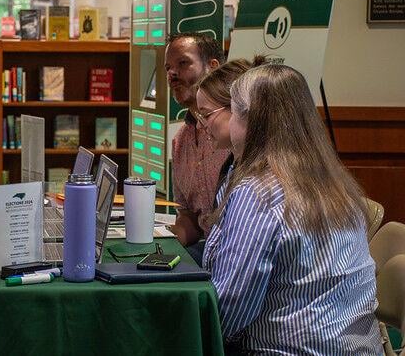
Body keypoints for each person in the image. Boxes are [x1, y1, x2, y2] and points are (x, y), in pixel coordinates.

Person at [203, 64, 380, 354]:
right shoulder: (337, 182)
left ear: (253, 122)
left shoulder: (257, 192)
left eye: (233, 113)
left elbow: (230, 307)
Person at [186, 55, 267, 264]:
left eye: (206, 114)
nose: (202, 125)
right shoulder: (233, 165)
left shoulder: (254, 189)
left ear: (238, 110)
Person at [163, 32, 228, 248]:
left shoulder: (235, 135)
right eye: (168, 68)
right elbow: (190, 217)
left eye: (183, 63)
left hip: (238, 253)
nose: (172, 74)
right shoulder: (181, 141)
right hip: (208, 249)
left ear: (213, 66)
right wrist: (161, 246)